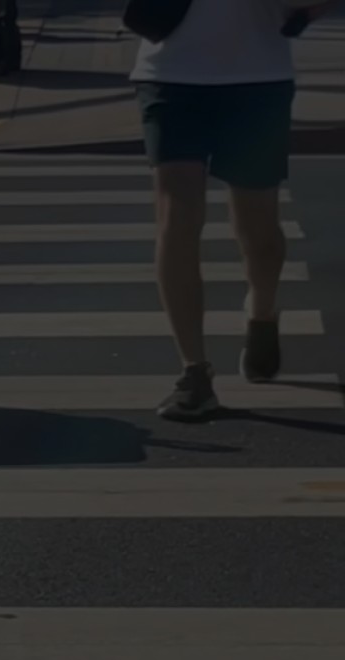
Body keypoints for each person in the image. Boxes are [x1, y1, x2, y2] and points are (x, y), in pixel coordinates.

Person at [129, 0, 340, 421]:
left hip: (258, 80)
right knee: (177, 215)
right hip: (169, 76)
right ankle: (194, 372)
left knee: (259, 231)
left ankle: (261, 312)